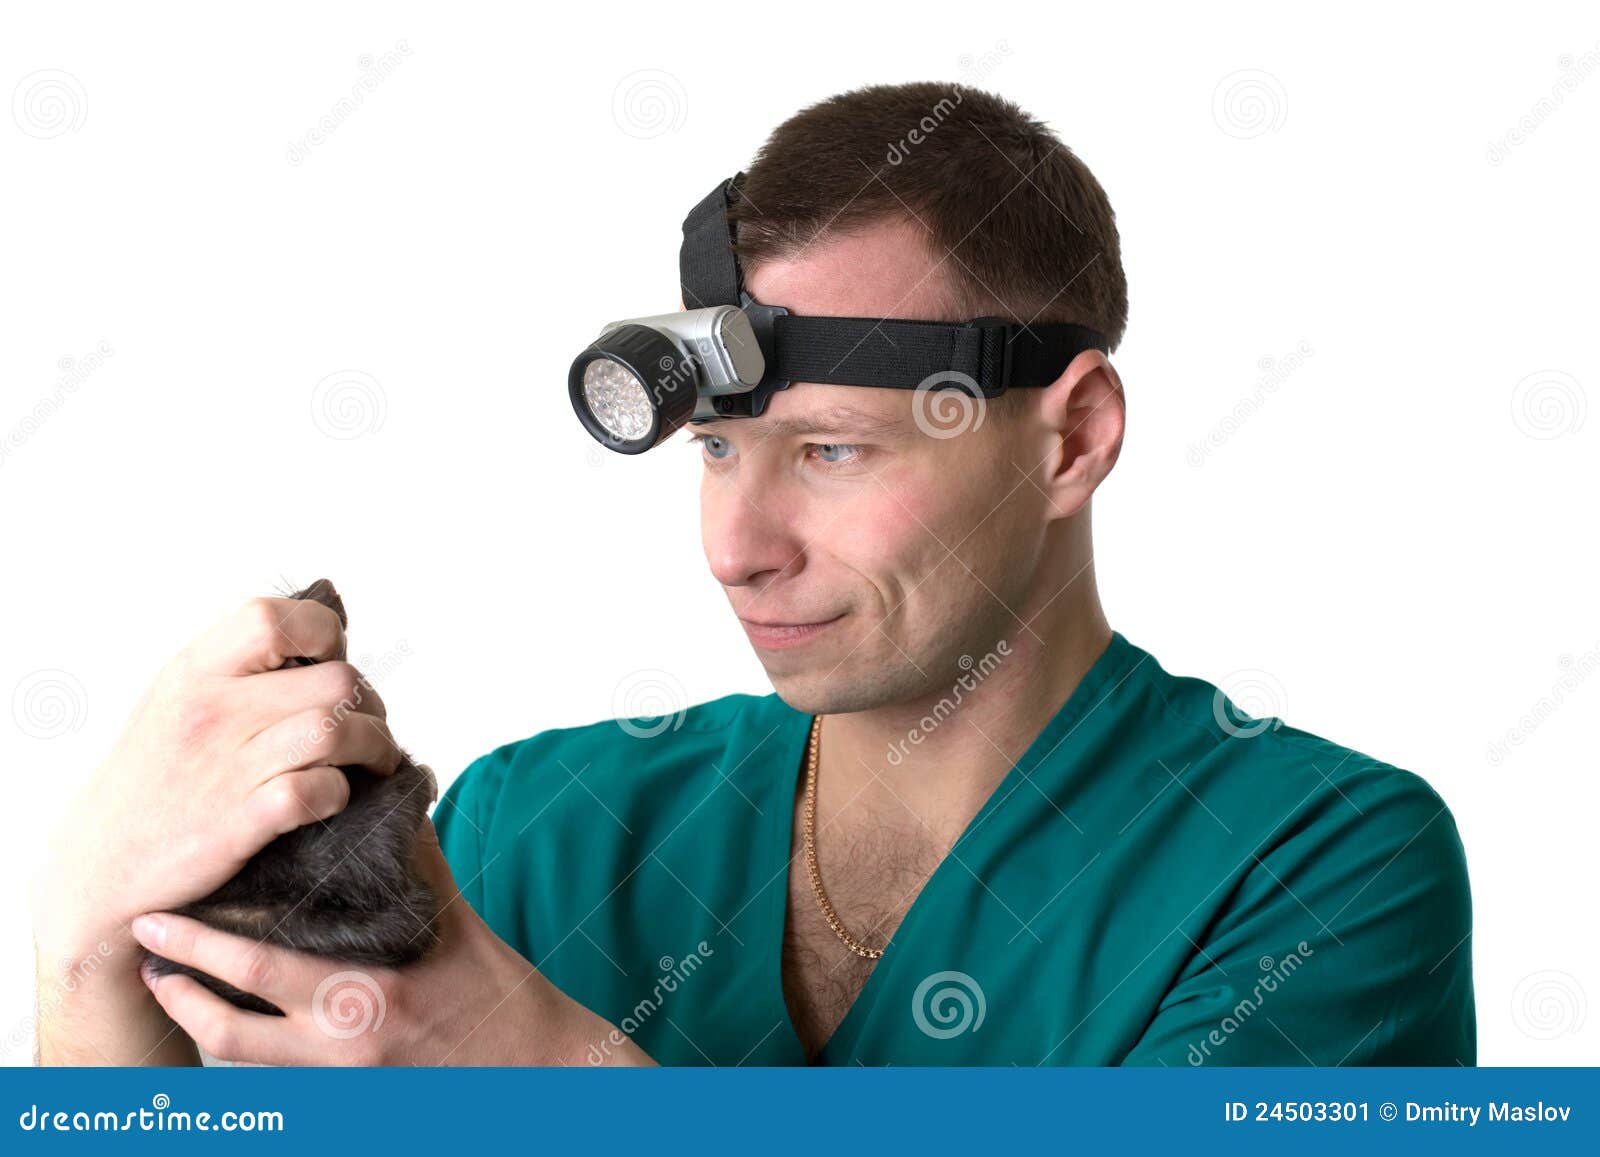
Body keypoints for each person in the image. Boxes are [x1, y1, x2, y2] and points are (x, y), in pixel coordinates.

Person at [34, 83, 1473, 1067]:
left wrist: (547, 1072)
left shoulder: (1321, 867)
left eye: (833, 453)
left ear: (1072, 439)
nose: (739, 542)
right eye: (719, 452)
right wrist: (92, 945)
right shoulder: (550, 825)